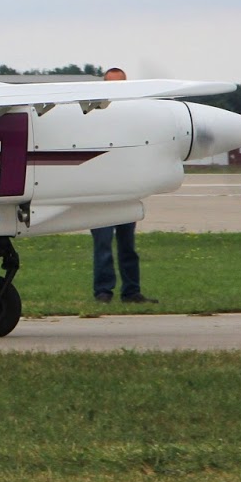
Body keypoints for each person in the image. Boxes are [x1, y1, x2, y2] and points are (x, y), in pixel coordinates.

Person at [88, 67, 158, 304]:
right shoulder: (92, 116)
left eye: (122, 85)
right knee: (103, 243)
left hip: (126, 188)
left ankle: (131, 291)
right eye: (112, 85)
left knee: (128, 244)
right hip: (101, 189)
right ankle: (103, 291)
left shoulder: (135, 117)